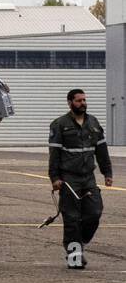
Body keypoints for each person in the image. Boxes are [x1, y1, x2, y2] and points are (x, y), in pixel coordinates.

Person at [49, 89, 113, 269]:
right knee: (71, 218)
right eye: (79, 100)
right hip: (69, 178)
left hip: (88, 178)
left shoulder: (93, 122)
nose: (83, 103)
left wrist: (107, 173)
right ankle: (74, 256)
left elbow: (101, 150)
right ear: (70, 103)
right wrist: (54, 178)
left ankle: (80, 242)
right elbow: (54, 154)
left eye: (84, 100)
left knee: (94, 212)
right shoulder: (59, 124)